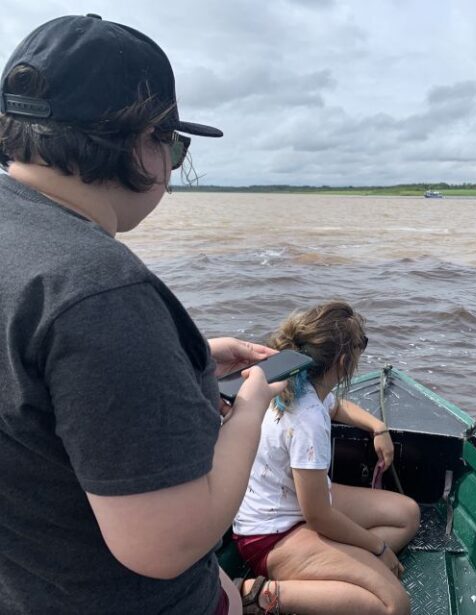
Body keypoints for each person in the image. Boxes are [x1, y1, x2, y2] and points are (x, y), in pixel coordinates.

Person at [0, 14, 283, 614]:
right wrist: (252, 407)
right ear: (142, 141)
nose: (172, 170)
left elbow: (31, 386)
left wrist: (186, 360)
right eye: (176, 145)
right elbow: (166, 544)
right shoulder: (99, 290)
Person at [232, 301, 420, 615]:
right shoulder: (306, 419)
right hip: (272, 535)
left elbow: (335, 406)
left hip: (296, 507)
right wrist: (377, 548)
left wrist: (377, 427)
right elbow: (318, 515)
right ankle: (256, 593)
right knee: (394, 605)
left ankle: (331, 570)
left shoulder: (298, 380)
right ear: (344, 360)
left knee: (407, 514)